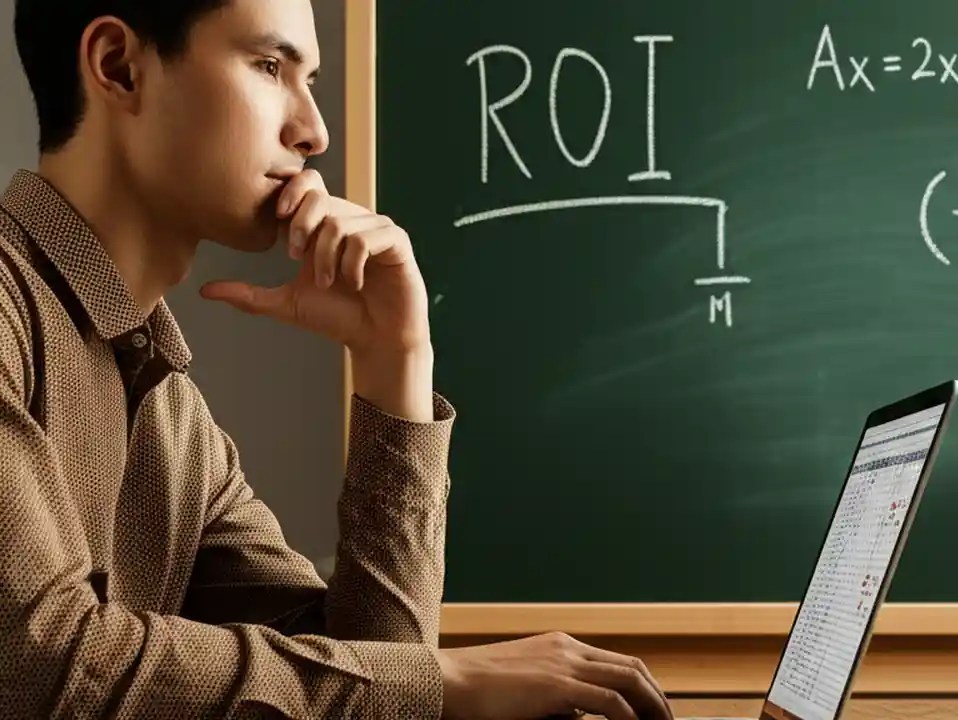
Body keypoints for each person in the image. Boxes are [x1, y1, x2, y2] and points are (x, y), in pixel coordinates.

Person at [0, 0, 675, 718]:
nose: (314, 131)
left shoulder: (172, 413)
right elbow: (39, 666)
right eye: (268, 66)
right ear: (119, 67)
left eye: (311, 79)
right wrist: (451, 681)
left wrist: (395, 360)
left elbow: (374, 679)